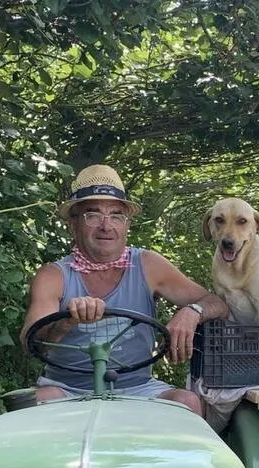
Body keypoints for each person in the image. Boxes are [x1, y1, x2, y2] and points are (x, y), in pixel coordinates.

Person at [20, 164, 229, 414]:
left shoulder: (148, 265)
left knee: (187, 402)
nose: (106, 226)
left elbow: (218, 304)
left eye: (116, 215)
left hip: (137, 386)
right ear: (73, 224)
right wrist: (66, 322)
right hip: (67, 388)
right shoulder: (54, 275)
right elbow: (29, 342)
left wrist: (192, 311)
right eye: (93, 215)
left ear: (126, 224)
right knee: (32, 404)